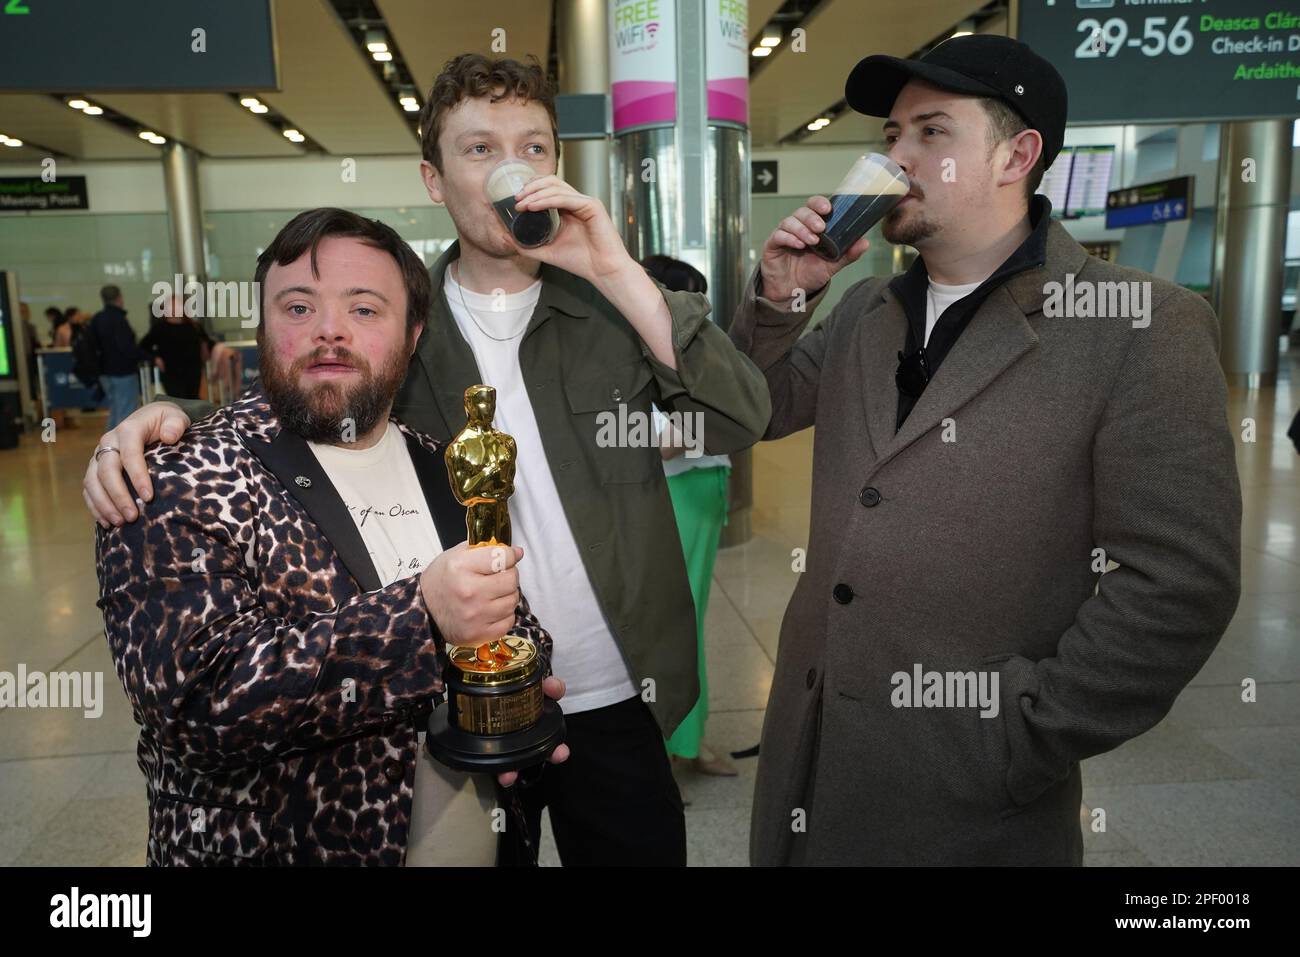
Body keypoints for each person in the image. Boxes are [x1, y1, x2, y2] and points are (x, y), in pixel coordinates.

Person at [83, 53, 770, 867]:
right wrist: (176, 418)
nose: (510, 167)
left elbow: (737, 415)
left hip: (619, 685)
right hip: (458, 699)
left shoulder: (612, 312)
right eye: (478, 149)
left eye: (534, 147)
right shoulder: (402, 325)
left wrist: (617, 270)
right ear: (435, 178)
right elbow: (315, 397)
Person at [729, 34, 1241, 865]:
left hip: (971, 805)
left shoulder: (1140, 326)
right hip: (811, 764)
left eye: (931, 132)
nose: (896, 158)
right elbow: (750, 411)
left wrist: (1020, 736)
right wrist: (782, 296)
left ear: (1017, 154)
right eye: (892, 136)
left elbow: (1178, 584)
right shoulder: (866, 311)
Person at [94, 207, 568, 865]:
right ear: (263, 327)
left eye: (366, 309)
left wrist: (520, 689)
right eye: (297, 308)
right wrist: (421, 616)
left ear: (413, 333)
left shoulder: (447, 463)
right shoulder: (174, 476)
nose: (329, 331)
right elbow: (199, 709)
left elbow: (502, 612)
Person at [643, 255, 736, 777]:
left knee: (689, 622)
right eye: (690, 297)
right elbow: (651, 444)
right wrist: (709, 426)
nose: (699, 310)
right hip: (678, 495)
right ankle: (672, 749)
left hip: (702, 492)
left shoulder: (692, 349)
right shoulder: (643, 351)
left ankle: (685, 742)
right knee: (676, 625)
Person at [88, 286, 149, 428]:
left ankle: (109, 445)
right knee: (126, 411)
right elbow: (126, 347)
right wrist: (147, 357)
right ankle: (121, 446)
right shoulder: (119, 319)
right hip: (123, 372)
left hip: (104, 372)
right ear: (119, 298)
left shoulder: (98, 318)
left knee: (115, 410)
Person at [139, 294, 208, 399]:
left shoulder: (194, 326)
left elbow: (206, 342)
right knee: (179, 400)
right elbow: (143, 346)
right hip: (171, 373)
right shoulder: (160, 328)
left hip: (193, 372)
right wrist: (155, 359)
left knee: (193, 400)